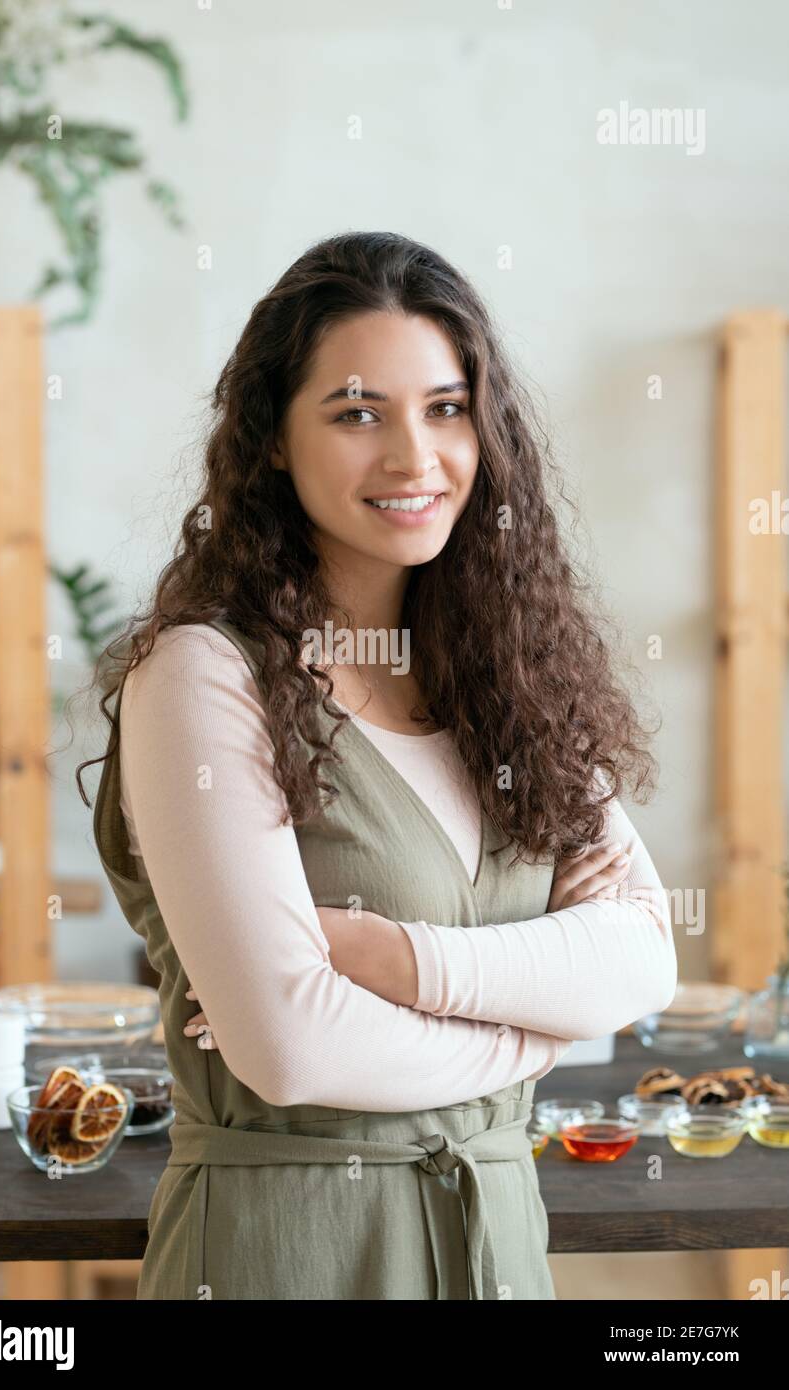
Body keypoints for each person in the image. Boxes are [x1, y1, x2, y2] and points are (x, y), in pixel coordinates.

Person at [78, 230, 677, 1300]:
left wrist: (396, 963)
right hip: (289, 1250)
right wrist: (533, 1037)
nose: (414, 456)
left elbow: (638, 957)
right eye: (358, 413)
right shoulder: (204, 677)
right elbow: (291, 1049)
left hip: (496, 1244)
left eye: (446, 408)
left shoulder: (511, 680)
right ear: (270, 437)